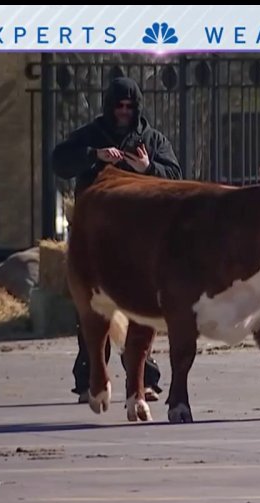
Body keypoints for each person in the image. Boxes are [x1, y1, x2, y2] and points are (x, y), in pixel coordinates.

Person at [52, 76, 183, 403]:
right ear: (109, 107)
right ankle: (89, 379)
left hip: (141, 240)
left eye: (129, 107)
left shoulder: (152, 139)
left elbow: (176, 177)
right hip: (98, 238)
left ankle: (146, 378)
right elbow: (60, 161)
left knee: (143, 308)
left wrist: (148, 167)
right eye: (118, 106)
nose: (123, 112)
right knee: (93, 306)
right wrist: (94, 155)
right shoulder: (90, 135)